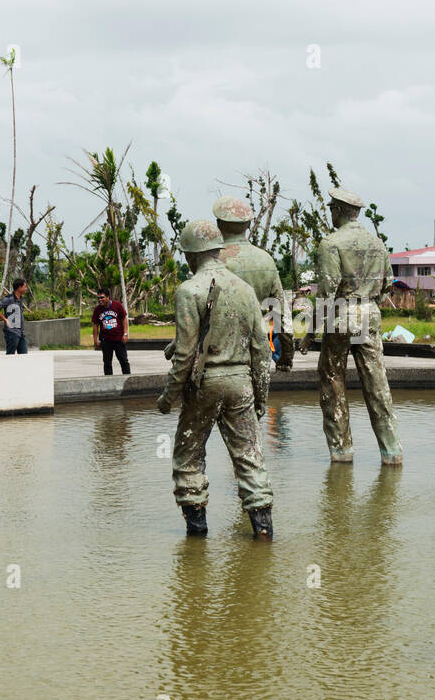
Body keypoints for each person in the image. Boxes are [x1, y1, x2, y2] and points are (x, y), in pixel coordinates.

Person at [155, 219, 274, 538]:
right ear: (218, 252)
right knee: (250, 459)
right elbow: (262, 352)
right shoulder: (245, 290)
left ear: (190, 256)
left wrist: (168, 398)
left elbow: (183, 357)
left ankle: (197, 536)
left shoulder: (188, 291)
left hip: (204, 386)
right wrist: (260, 399)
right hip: (240, 386)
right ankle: (263, 533)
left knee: (188, 456)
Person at [311, 186, 403, 465]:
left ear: (339, 211)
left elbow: (327, 291)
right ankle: (391, 452)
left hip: (342, 313)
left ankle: (342, 452)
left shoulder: (331, 244)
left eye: (331, 209)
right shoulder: (377, 243)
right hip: (370, 312)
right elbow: (388, 284)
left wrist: (311, 331)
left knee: (332, 382)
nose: (330, 214)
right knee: (377, 384)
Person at [214, 195, 293, 371]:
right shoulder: (266, 260)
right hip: (259, 350)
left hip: (219, 353)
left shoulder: (212, 260)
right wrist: (287, 355)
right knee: (258, 397)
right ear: (249, 225)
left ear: (218, 224)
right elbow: (282, 314)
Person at [92, 287, 130, 375]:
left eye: (102, 297)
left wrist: (125, 334)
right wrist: (95, 340)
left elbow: (124, 319)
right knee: (107, 363)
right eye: (98, 298)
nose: (100, 300)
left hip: (118, 339)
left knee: (124, 361)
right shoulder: (97, 310)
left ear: (108, 297)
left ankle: (128, 379)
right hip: (106, 340)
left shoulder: (117, 305)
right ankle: (108, 381)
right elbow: (95, 325)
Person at [0, 279, 29, 354]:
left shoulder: (20, 299)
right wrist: (5, 319)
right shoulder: (9, 299)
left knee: (24, 356)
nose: (26, 289)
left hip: (21, 332)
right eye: (25, 287)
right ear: (19, 287)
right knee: (10, 355)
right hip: (12, 332)